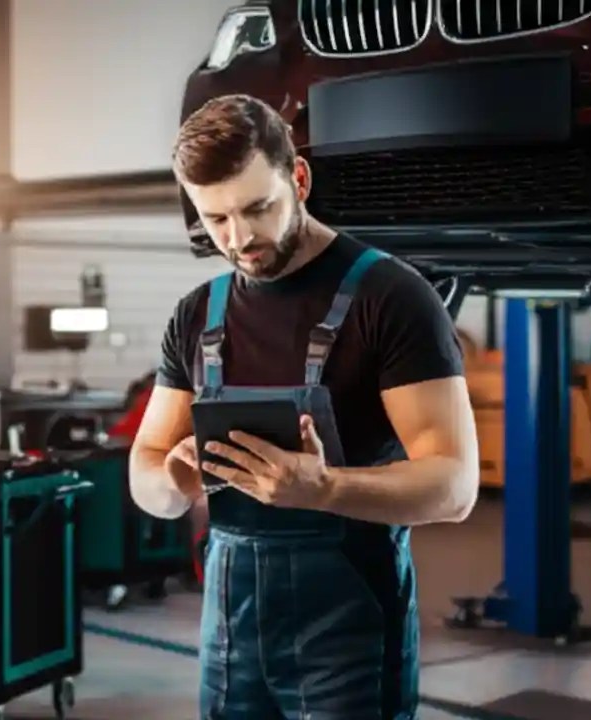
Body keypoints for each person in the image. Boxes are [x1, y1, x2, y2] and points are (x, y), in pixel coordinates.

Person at [128, 94, 480, 720]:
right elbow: (146, 470)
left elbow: (454, 486)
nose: (239, 239)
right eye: (216, 219)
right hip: (229, 629)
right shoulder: (197, 315)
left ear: (299, 178)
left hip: (349, 631)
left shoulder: (392, 299)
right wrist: (173, 483)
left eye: (257, 208)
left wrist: (324, 488)